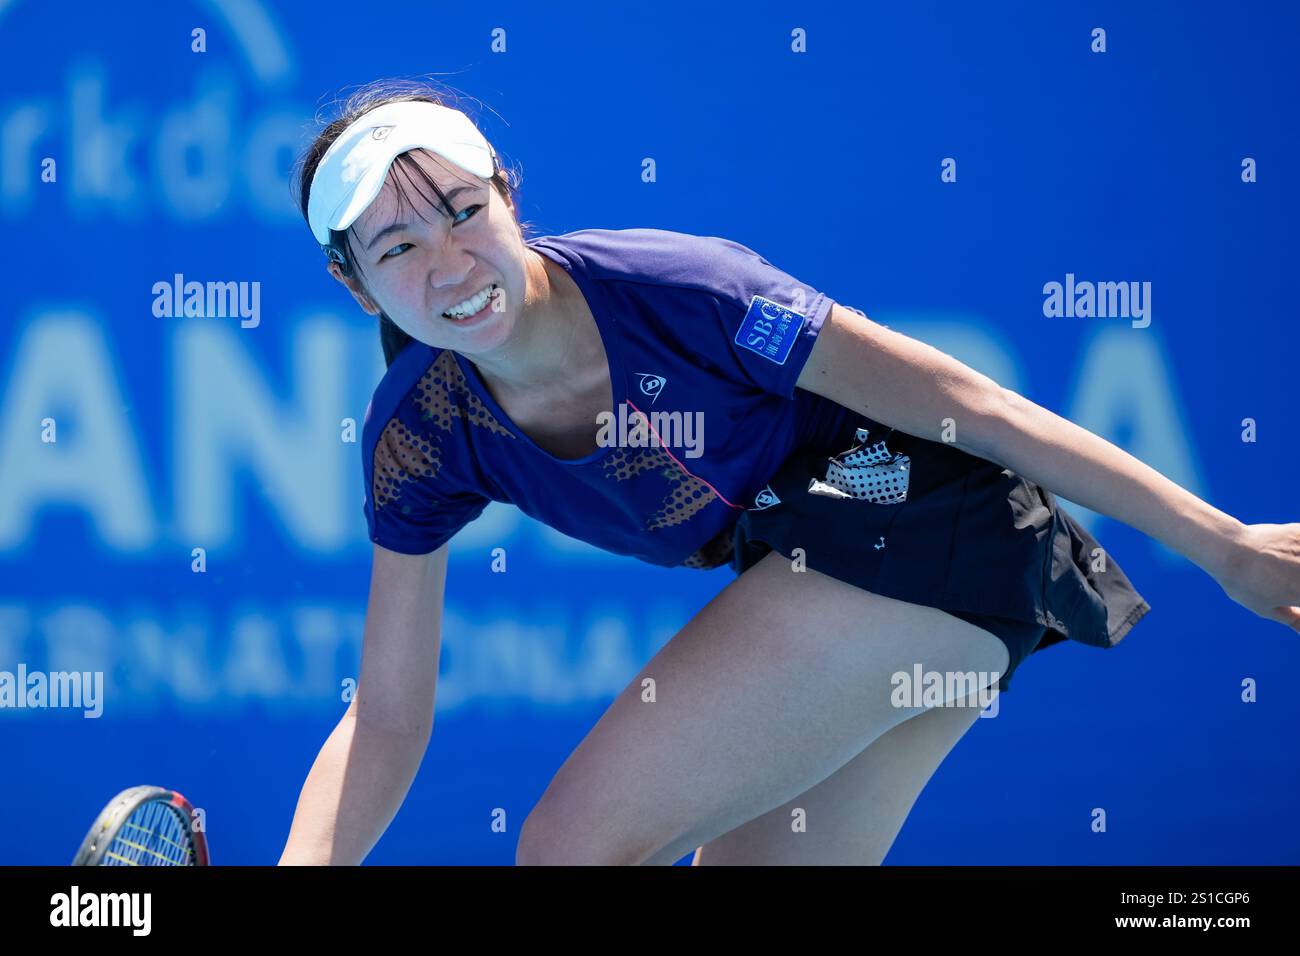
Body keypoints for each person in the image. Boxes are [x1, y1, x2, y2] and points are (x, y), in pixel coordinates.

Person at [278, 80, 1299, 866]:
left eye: (461, 209)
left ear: (507, 191)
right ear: (352, 282)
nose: (449, 263)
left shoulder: (687, 292)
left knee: (568, 848)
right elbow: (386, 713)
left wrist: (1224, 545)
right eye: (398, 243)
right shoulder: (419, 433)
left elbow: (973, 406)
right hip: (902, 587)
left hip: (922, 517)